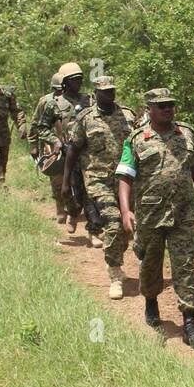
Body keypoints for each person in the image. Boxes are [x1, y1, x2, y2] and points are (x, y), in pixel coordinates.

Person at [116, 87, 194, 350]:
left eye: (171, 105)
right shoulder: (136, 139)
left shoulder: (186, 135)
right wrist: (125, 211)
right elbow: (124, 177)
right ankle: (151, 302)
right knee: (150, 263)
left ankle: (190, 324)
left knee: (184, 266)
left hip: (183, 214)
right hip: (150, 215)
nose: (168, 109)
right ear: (150, 109)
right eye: (162, 105)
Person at [63, 75, 136, 298]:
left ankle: (115, 258)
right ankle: (114, 274)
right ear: (95, 93)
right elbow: (73, 150)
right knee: (113, 223)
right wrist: (66, 182)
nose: (109, 94)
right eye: (104, 91)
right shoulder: (86, 118)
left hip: (125, 181)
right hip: (97, 180)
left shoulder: (128, 115)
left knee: (126, 227)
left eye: (112, 90)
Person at [39, 62, 92, 233]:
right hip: (66, 153)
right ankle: (72, 213)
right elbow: (41, 127)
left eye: (80, 79)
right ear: (65, 82)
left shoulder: (89, 100)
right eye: (74, 80)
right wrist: (55, 140)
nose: (78, 83)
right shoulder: (54, 104)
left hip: (87, 153)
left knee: (90, 190)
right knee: (66, 187)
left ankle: (93, 231)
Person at [32, 72, 67, 222]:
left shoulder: (71, 101)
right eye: (58, 90)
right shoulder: (45, 102)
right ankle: (60, 206)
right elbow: (36, 124)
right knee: (57, 177)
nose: (61, 93)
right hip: (52, 144)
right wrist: (33, 144)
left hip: (71, 143)